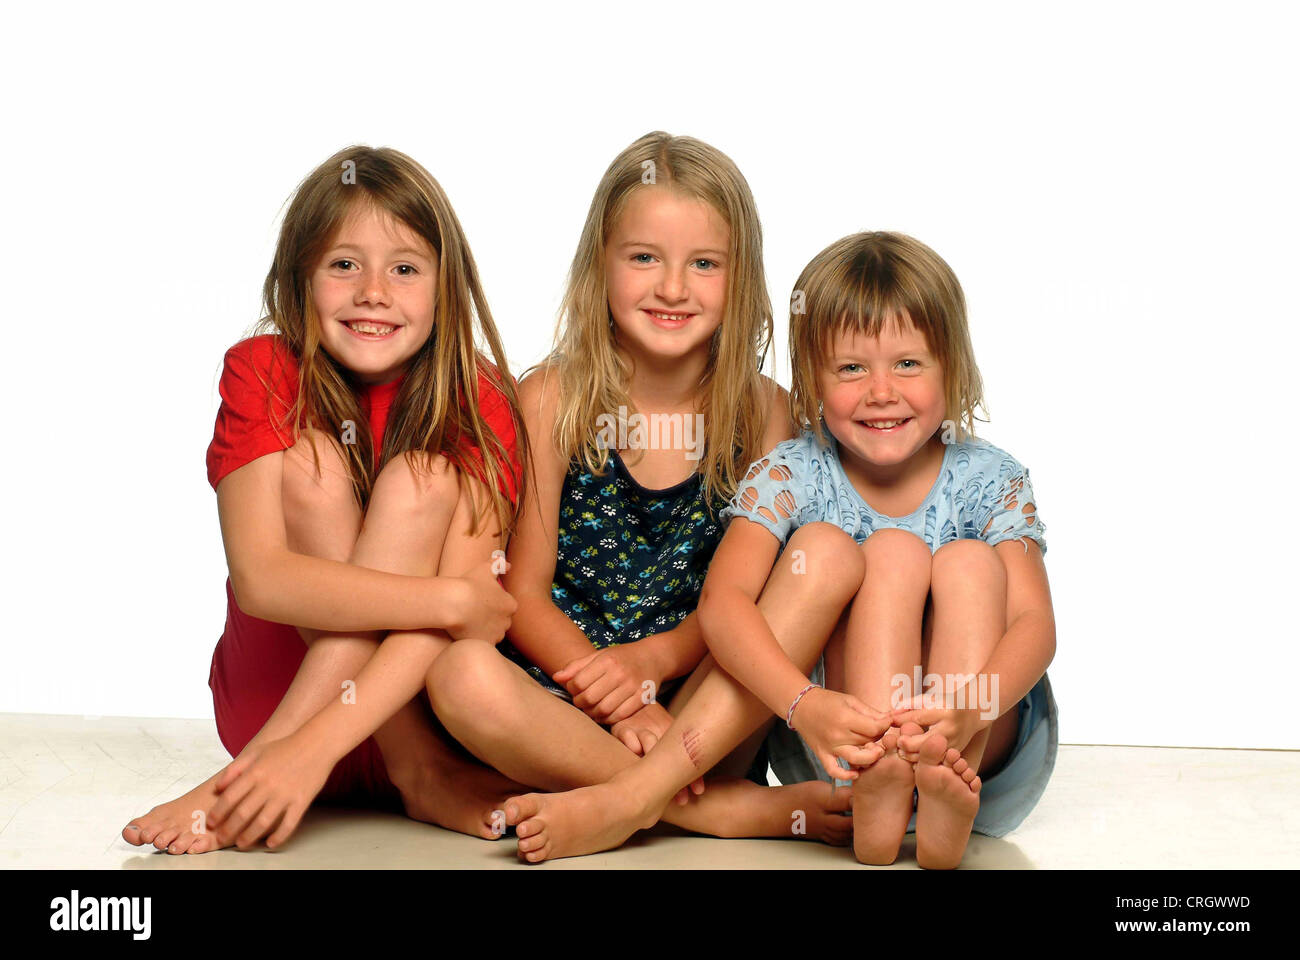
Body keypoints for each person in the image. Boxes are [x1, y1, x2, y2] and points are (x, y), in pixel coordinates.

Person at [503, 232, 1057, 868]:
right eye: (851, 368)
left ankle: (940, 796)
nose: (881, 391)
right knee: (870, 552)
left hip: (977, 742)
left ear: (952, 368)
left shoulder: (990, 477)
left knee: (967, 561)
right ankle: (877, 788)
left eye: (908, 364)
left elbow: (1035, 628)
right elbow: (725, 603)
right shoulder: (795, 470)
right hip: (834, 742)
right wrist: (805, 704)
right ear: (811, 380)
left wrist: (965, 711)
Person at [424, 131, 859, 861]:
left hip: (701, 717)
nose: (672, 288)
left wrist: (655, 665)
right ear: (602, 264)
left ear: (740, 276)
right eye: (644, 257)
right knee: (458, 674)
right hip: (562, 712)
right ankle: (711, 812)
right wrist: (615, 698)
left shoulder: (765, 415)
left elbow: (751, 601)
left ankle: (643, 795)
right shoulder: (552, 397)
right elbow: (522, 594)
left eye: (704, 264)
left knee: (823, 556)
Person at [121, 145, 526, 854]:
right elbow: (263, 580)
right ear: (301, 277)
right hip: (275, 702)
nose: (373, 291)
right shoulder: (263, 371)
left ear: (444, 287)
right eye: (344, 264)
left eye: (404, 268)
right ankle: (380, 766)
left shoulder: (480, 395)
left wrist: (313, 750)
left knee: (419, 480)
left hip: (422, 703)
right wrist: (452, 600)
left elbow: (466, 627)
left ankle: (392, 764)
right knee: (312, 463)